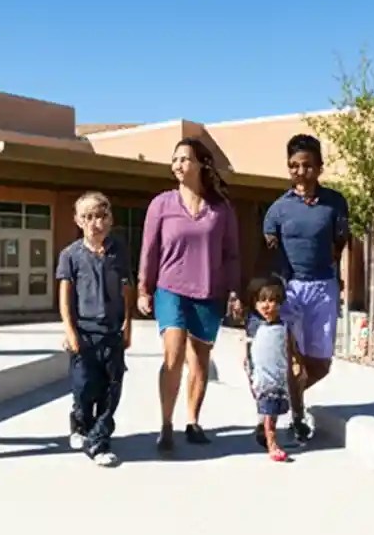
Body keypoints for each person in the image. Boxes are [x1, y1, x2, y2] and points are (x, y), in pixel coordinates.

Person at [138, 137, 241, 453]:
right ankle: (166, 425)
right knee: (173, 353)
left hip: (209, 291)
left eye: (184, 159)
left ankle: (192, 421)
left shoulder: (221, 209)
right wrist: (144, 287)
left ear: (200, 164)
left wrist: (235, 291)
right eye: (175, 160)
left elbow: (231, 253)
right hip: (170, 289)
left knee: (200, 360)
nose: (177, 165)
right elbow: (150, 249)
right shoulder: (162, 204)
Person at [261, 133, 350, 445]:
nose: (301, 172)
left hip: (324, 287)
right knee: (290, 357)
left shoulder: (335, 203)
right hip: (291, 290)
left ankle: (286, 397)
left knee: (320, 365)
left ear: (319, 168)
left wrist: (338, 278)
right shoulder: (277, 210)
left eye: (308, 166)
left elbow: (340, 244)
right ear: (289, 168)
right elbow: (268, 253)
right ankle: (295, 417)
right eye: (295, 166)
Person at [57, 191, 133, 468]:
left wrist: (128, 325)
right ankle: (81, 422)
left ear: (110, 219)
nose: (95, 223)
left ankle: (99, 440)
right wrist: (70, 331)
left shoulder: (118, 251)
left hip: (111, 332)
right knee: (84, 386)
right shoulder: (70, 255)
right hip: (84, 332)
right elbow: (65, 296)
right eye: (88, 217)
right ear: (78, 221)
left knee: (111, 390)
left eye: (101, 216)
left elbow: (127, 290)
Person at [242, 277, 292, 462]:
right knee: (269, 407)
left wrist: (295, 363)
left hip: (277, 374)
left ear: (279, 304)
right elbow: (247, 346)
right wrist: (247, 364)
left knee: (273, 409)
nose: (266, 305)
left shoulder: (283, 325)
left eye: (271, 301)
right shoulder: (254, 325)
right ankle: (273, 444)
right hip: (261, 375)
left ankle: (264, 430)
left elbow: (289, 347)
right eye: (262, 300)